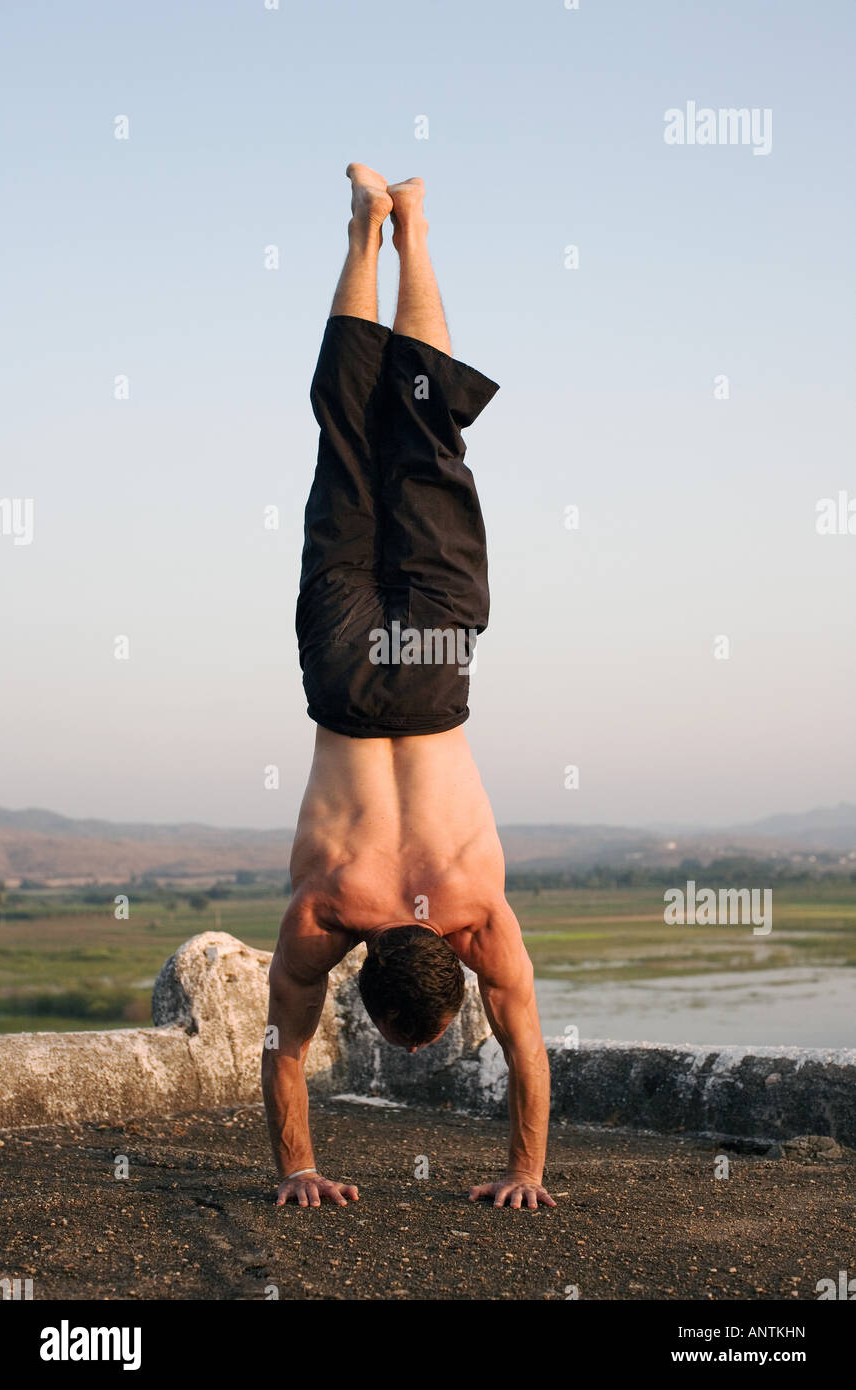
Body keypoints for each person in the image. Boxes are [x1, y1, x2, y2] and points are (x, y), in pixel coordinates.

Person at [262, 164, 554, 1211]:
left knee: (424, 438)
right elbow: (283, 1053)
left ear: (446, 957)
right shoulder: (323, 912)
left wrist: (526, 1173)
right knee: (346, 434)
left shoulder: (476, 913)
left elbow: (525, 1045)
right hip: (342, 673)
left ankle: (414, 223)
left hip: (433, 667)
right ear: (365, 969)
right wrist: (294, 1168)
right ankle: (362, 230)